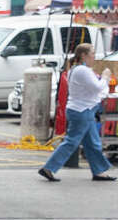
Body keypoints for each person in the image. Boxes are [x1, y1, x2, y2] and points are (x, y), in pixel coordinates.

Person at [37, 42, 113, 182]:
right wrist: (105, 77)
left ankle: (99, 171)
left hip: (85, 110)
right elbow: (97, 87)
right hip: (82, 111)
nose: (94, 57)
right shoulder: (82, 70)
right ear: (84, 55)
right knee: (72, 141)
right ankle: (49, 168)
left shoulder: (78, 69)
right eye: (92, 54)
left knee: (93, 143)